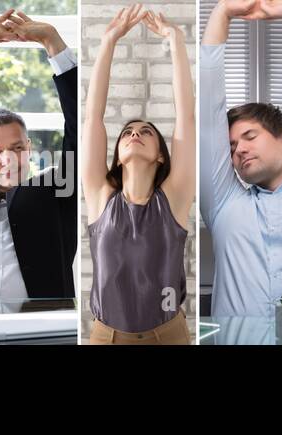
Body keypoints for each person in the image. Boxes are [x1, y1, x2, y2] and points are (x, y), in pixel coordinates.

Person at [83, 5, 195, 345]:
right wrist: (108, 42)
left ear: (160, 153)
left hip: (169, 334)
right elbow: (93, 119)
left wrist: (175, 40)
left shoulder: (173, 198)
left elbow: (186, 119)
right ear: (117, 154)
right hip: (107, 337)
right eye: (128, 132)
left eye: (146, 131)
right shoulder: (100, 197)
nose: (134, 134)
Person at [200, 0, 282, 318]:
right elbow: (208, 102)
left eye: (249, 137)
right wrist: (222, 11)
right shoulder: (223, 204)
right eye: (232, 145)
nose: (238, 149)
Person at [0, 10, 78, 300]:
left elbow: (79, 128)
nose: (7, 159)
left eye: (16, 148)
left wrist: (52, 40)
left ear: (29, 149)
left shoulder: (56, 192)